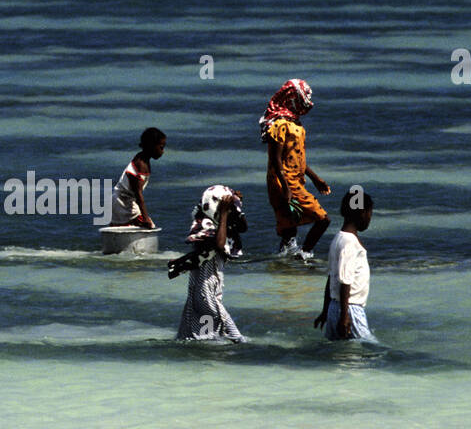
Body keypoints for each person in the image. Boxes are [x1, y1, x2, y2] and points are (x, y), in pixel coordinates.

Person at [261, 78, 331, 261]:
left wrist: (315, 179)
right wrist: (285, 188)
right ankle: (305, 254)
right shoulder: (280, 126)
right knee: (323, 219)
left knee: (289, 229)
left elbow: (297, 158)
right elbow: (276, 160)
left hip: (293, 180)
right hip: (284, 181)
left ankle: (284, 266)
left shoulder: (296, 125)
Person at [173, 185, 247, 342]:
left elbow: (243, 227)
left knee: (194, 334)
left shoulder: (221, 226)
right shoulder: (204, 227)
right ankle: (238, 343)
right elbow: (219, 245)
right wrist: (225, 213)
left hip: (206, 291)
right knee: (233, 337)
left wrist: (236, 203)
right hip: (205, 293)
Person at [314, 192, 375, 341]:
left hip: (334, 307)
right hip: (350, 308)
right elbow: (345, 280)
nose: (369, 219)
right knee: (371, 351)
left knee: (342, 356)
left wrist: (325, 311)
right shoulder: (349, 242)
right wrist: (344, 317)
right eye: (369, 214)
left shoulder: (338, 238)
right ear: (361, 213)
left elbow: (331, 278)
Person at [110, 127, 166, 227]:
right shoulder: (141, 164)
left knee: (121, 229)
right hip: (123, 202)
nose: (163, 151)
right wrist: (145, 217)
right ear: (151, 146)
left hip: (120, 200)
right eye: (161, 147)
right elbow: (139, 195)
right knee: (149, 227)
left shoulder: (142, 158)